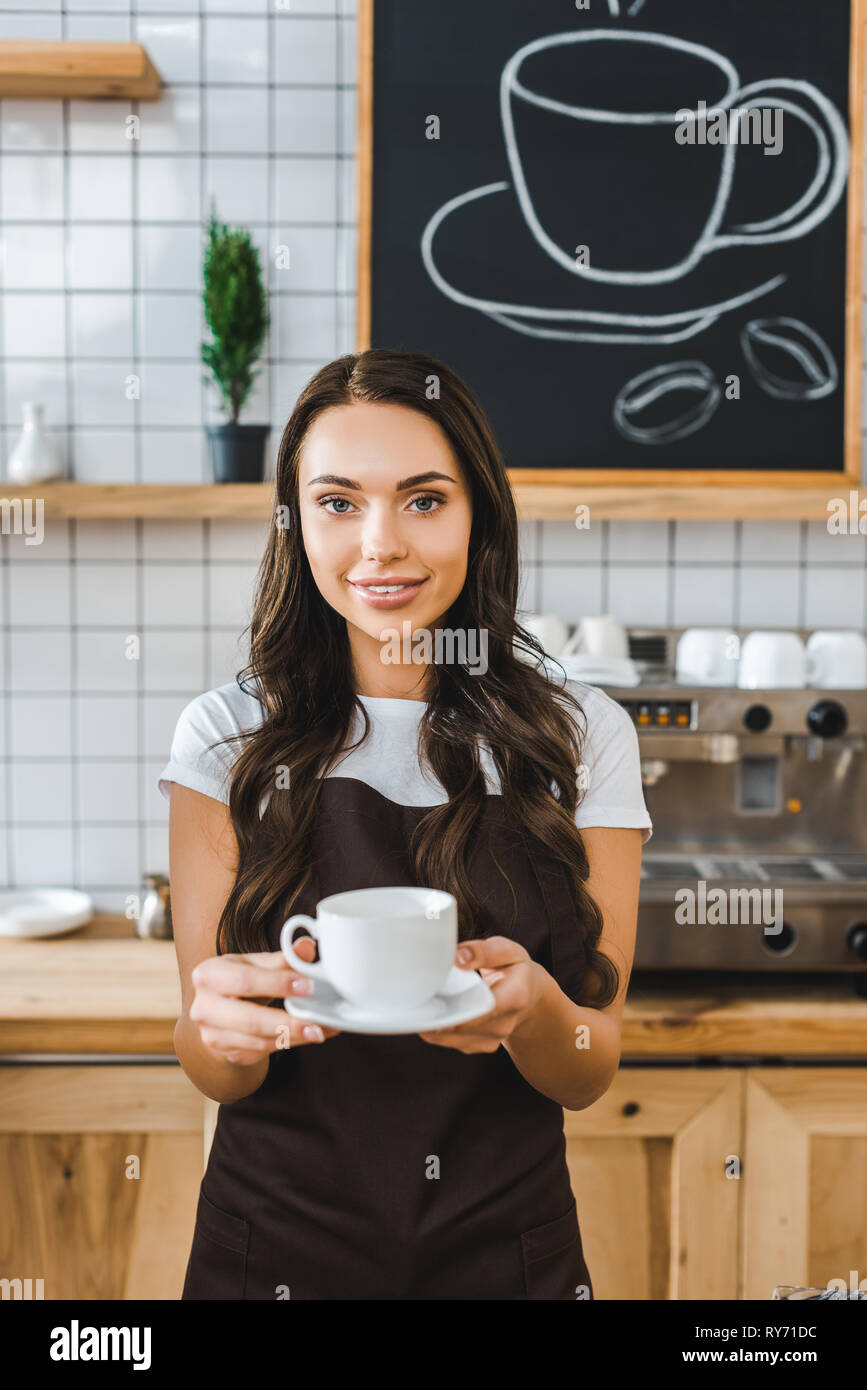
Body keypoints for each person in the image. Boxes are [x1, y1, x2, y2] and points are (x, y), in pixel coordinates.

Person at [159, 347, 652, 1300]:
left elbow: (590, 1066)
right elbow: (211, 1067)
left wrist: (537, 1012)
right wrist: (215, 1030)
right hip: (272, 1254)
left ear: (480, 515)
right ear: (294, 520)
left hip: (506, 1256)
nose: (379, 544)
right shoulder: (226, 735)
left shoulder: (581, 733)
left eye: (424, 500)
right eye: (338, 503)